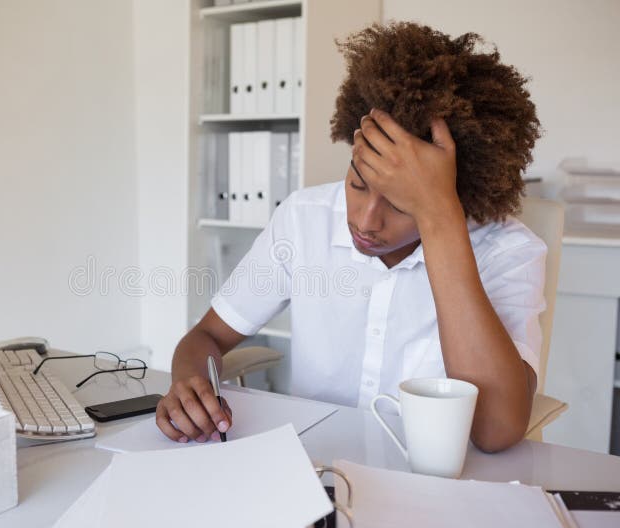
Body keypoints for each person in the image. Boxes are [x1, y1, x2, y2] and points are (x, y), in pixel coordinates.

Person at [156, 21, 544, 452]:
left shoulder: (509, 251)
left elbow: (496, 430)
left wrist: (440, 220)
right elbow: (204, 337)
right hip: (313, 467)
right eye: (358, 183)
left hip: (433, 489)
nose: (365, 221)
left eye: (399, 204)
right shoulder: (305, 218)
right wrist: (190, 385)